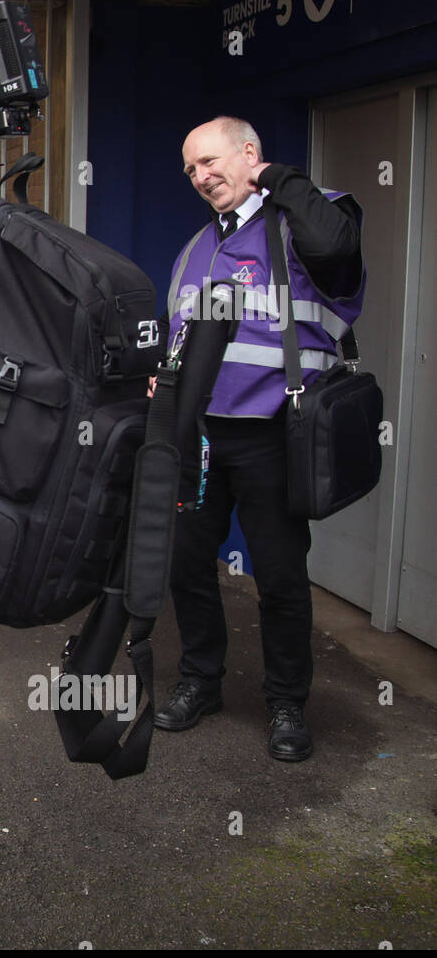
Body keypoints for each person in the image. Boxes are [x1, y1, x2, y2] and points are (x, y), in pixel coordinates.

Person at [155, 116, 364, 762]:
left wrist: (272, 180)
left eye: (211, 161)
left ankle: (286, 704)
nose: (200, 176)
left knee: (278, 576)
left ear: (250, 153)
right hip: (202, 440)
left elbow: (336, 247)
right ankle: (201, 680)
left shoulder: (303, 223)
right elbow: (180, 345)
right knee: (186, 565)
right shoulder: (195, 250)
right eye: (191, 168)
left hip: (275, 434)